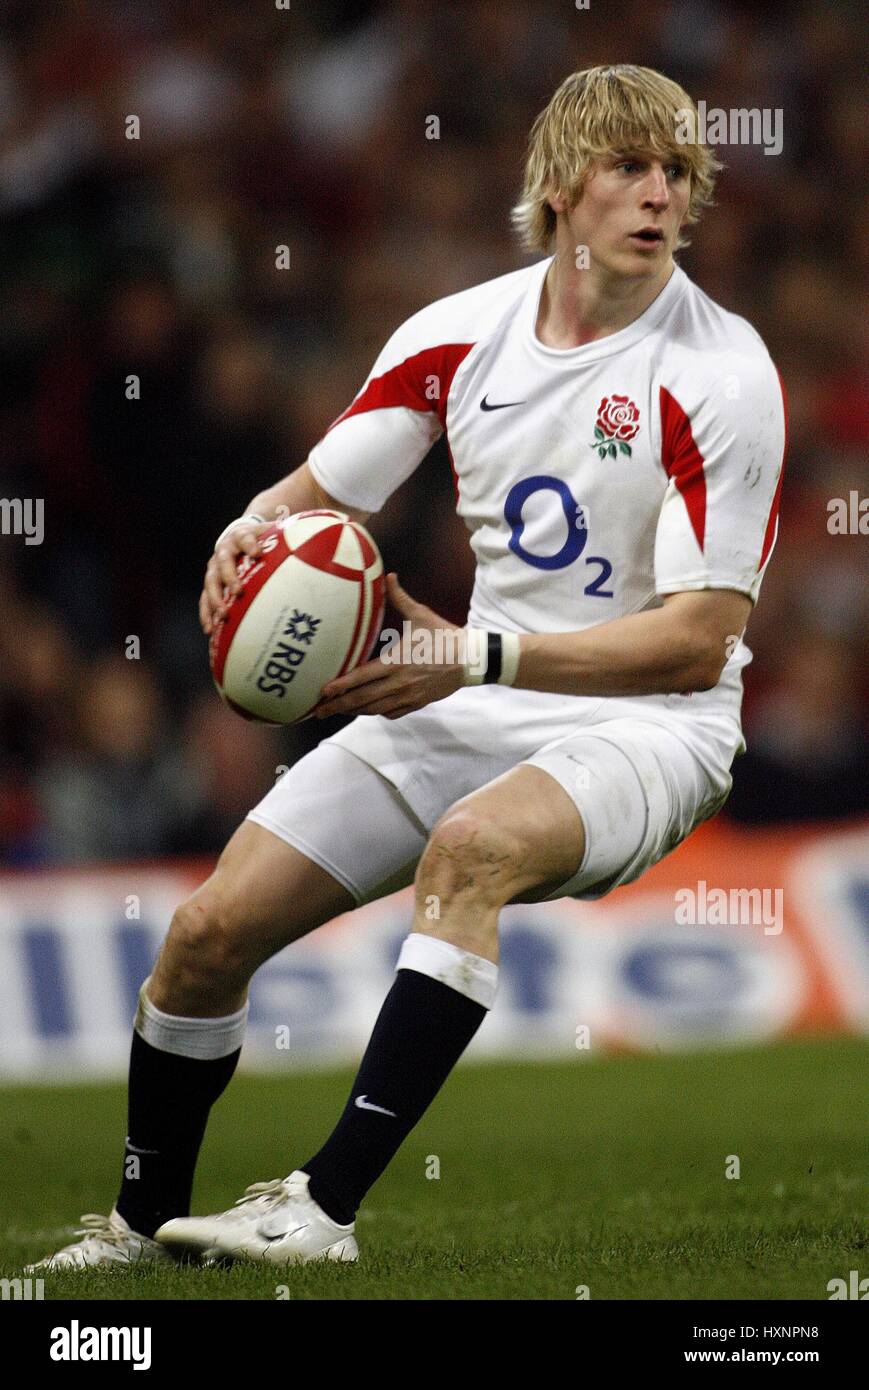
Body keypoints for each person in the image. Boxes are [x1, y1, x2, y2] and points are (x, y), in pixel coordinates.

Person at [29, 64, 786, 1271]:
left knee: (470, 852)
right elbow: (318, 491)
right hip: (476, 690)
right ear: (555, 183)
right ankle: (138, 1226)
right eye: (629, 167)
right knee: (205, 933)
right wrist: (248, 531)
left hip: (655, 724)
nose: (659, 194)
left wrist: (473, 650)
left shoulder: (720, 372)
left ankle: (319, 1211)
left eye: (678, 173)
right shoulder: (452, 335)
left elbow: (699, 633)